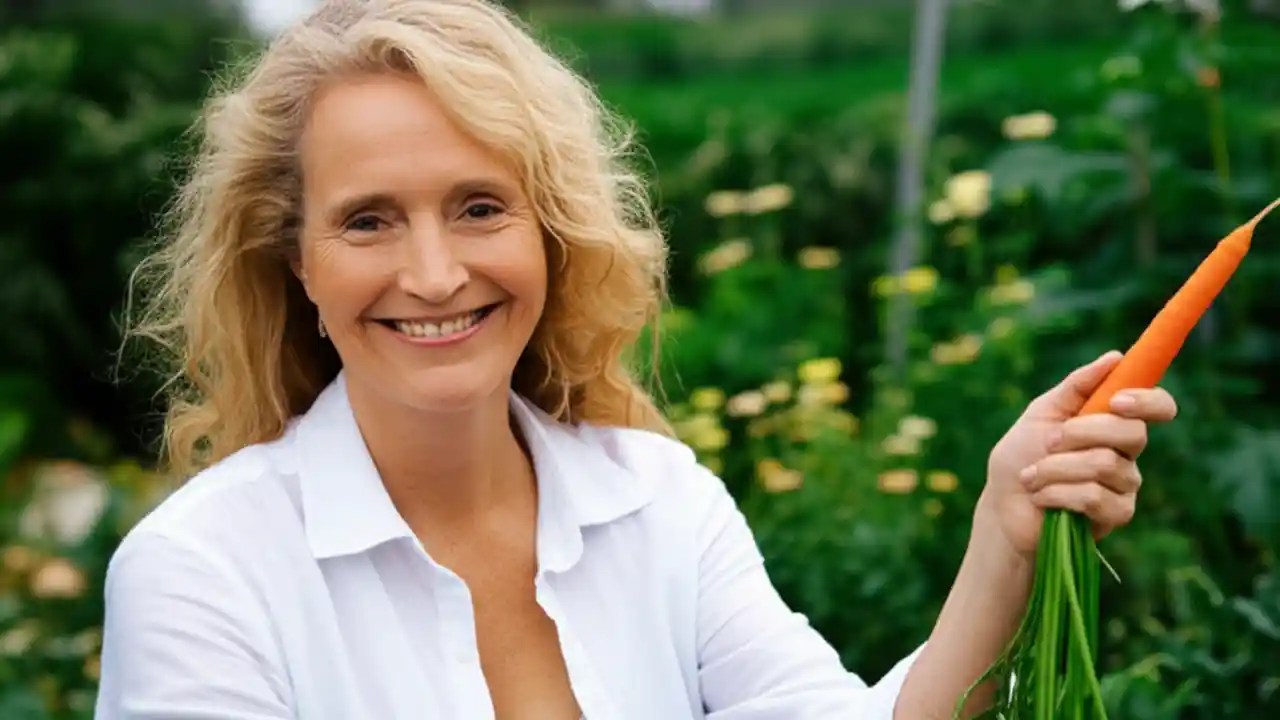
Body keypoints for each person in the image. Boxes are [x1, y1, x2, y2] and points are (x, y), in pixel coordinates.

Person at [94, 1, 1180, 718]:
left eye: (479, 207)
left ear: (549, 235)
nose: (431, 274)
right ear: (297, 266)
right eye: (368, 221)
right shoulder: (202, 573)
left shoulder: (654, 500)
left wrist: (1002, 533)